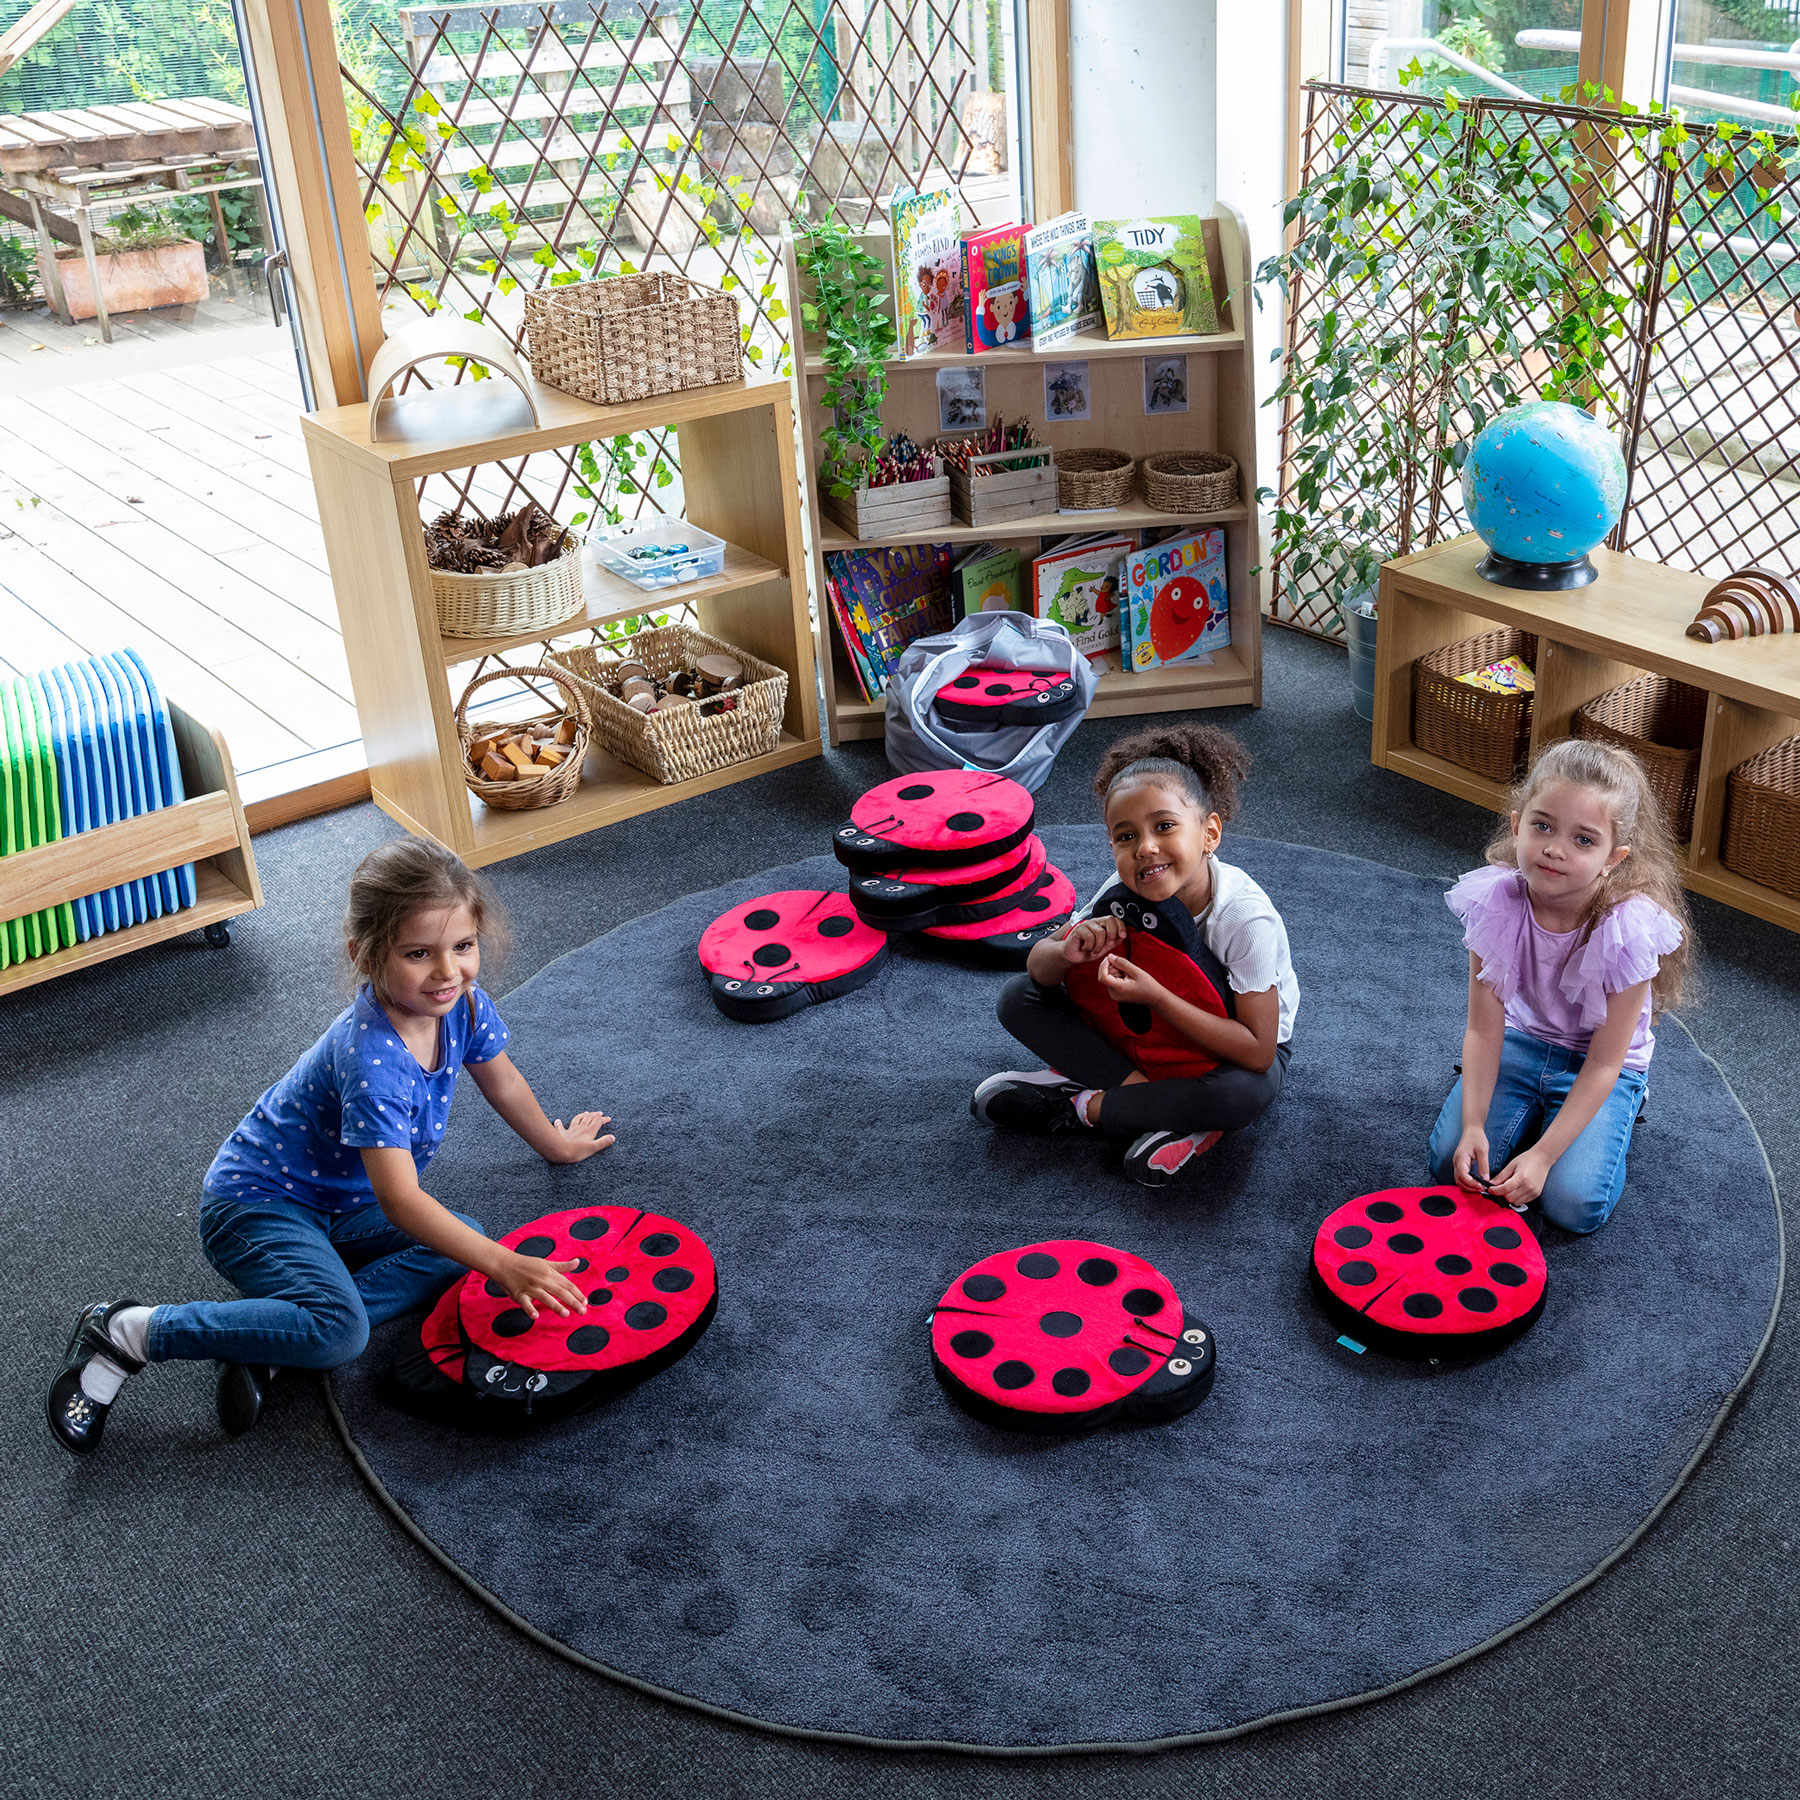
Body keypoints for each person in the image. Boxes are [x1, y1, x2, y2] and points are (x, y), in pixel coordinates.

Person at [46, 838, 615, 1454]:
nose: (448, 972)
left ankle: (267, 1341)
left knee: (463, 1242)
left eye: (463, 946)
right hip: (255, 1208)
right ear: (366, 956)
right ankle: (127, 1332)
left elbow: (501, 1080)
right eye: (419, 953)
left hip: (343, 1206)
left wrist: (555, 1145)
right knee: (346, 1331)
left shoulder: (464, 1006)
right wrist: (502, 1265)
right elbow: (401, 1201)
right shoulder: (374, 1059)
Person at [972, 725, 1298, 1187]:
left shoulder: (1243, 918)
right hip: (1138, 1034)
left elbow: (1259, 1052)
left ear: (1209, 833)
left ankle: (1085, 1107)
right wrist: (1068, 950)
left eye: (1164, 826)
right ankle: (1160, 1108)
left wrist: (1158, 998)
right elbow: (1038, 972)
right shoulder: (1121, 891)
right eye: (1125, 837)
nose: (1145, 848)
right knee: (1017, 997)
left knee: (1244, 1095)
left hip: (1224, 1051)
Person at [1428, 738, 1692, 1234]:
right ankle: (1524, 1118)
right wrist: (1473, 1127)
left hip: (1600, 1066)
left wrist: (1544, 1157)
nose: (1554, 849)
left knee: (1572, 1205)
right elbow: (1485, 1031)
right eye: (1542, 825)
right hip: (1522, 1043)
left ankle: (1620, 1108)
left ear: (1615, 857)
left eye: (1584, 840)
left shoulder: (1628, 930)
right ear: (1516, 823)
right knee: (1450, 1165)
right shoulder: (1495, 901)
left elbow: (1605, 1061)